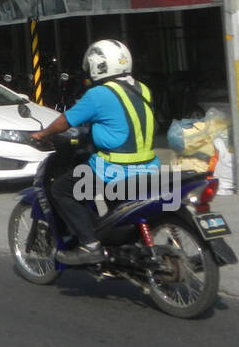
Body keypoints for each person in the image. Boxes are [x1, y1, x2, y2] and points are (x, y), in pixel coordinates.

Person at [32, 39, 157, 265]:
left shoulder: (98, 95)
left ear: (97, 65)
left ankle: (90, 246)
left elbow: (65, 121)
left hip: (115, 170)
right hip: (150, 167)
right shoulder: (143, 89)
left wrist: (43, 134)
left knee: (60, 189)